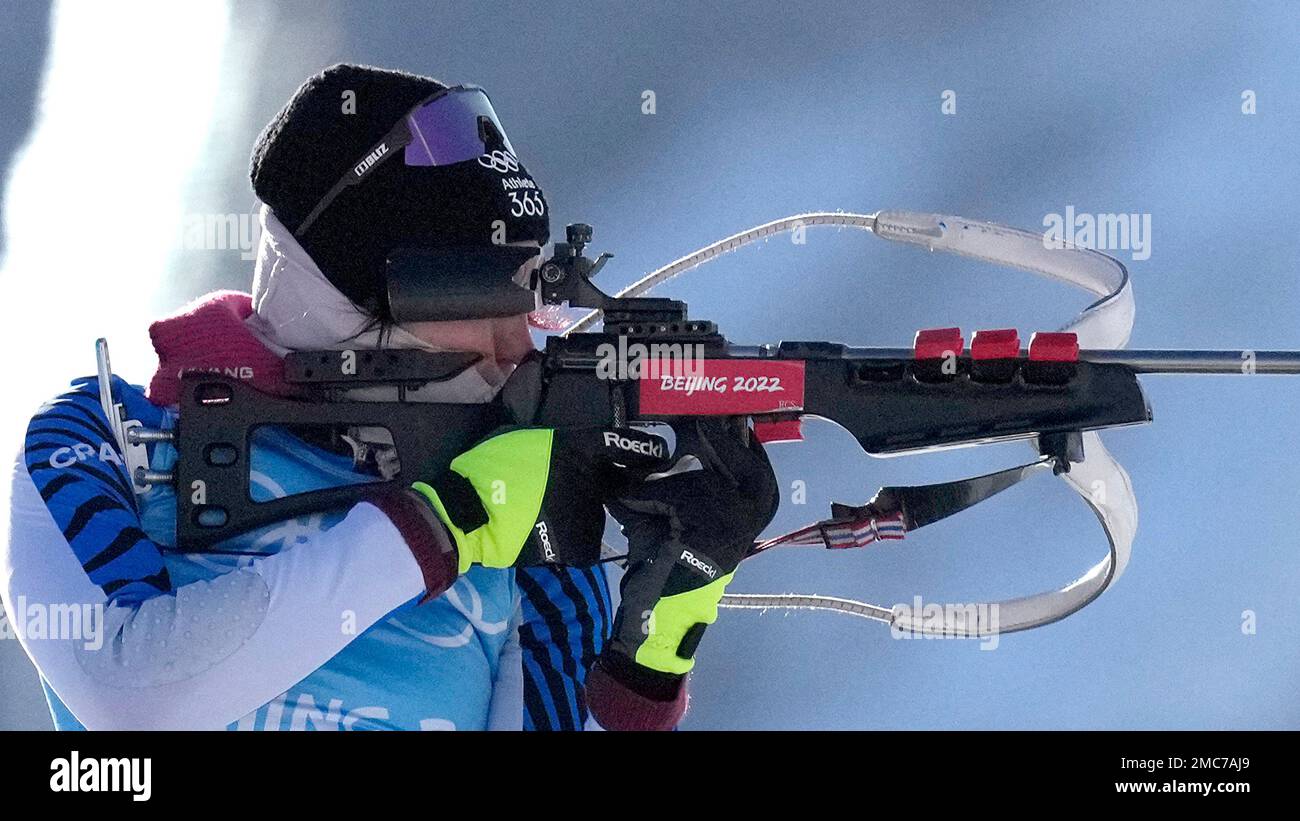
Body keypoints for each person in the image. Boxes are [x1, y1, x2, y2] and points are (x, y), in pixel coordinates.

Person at [0, 63, 776, 731]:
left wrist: (650, 647)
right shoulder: (99, 434)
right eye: (485, 288)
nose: (522, 340)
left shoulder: (524, 513)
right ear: (353, 294)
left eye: (539, 292)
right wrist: (442, 526)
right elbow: (131, 691)